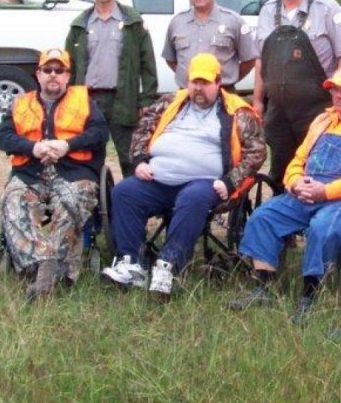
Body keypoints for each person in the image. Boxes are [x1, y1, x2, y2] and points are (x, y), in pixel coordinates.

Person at [230, 65, 341, 321]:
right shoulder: (322, 120)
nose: (337, 95)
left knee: (322, 228)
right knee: (263, 217)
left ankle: (309, 296)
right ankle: (263, 287)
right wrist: (295, 183)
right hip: (310, 194)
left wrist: (326, 191)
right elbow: (297, 160)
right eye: (334, 90)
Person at [99, 53, 266, 297]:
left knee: (192, 198)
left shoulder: (239, 112)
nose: (198, 88)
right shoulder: (170, 103)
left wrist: (230, 182)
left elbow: (256, 152)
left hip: (205, 183)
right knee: (124, 192)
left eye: (205, 83)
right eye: (194, 82)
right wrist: (140, 160)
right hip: (158, 179)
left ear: (218, 82)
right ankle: (131, 263)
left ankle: (168, 265)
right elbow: (142, 130)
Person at [0, 47, 110, 300]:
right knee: (12, 200)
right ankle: (44, 264)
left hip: (74, 172)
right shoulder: (21, 104)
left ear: (68, 76)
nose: (53, 74)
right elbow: (4, 138)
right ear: (38, 74)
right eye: (47, 69)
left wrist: (67, 145)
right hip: (30, 172)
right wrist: (33, 148)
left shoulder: (84, 101)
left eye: (59, 70)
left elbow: (100, 133)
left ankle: (47, 276)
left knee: (71, 201)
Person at [253, 0, 341, 190]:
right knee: (281, 171)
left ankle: (316, 211)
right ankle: (281, 208)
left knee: (317, 169)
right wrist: (258, 101)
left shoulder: (325, 7)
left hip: (317, 108)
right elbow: (260, 60)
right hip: (278, 111)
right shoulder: (268, 11)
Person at [66, 0, 159, 174]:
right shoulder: (80, 25)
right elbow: (69, 66)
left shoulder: (133, 22)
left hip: (123, 99)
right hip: (88, 99)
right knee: (88, 156)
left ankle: (132, 193)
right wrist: (68, 98)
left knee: (130, 156)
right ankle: (93, 192)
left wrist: (147, 99)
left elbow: (147, 64)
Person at [162, 0, 258, 89]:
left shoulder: (233, 21)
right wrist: (188, 78)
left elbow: (249, 60)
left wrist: (228, 80)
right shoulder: (177, 22)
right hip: (187, 93)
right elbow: (170, 59)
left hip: (222, 92)